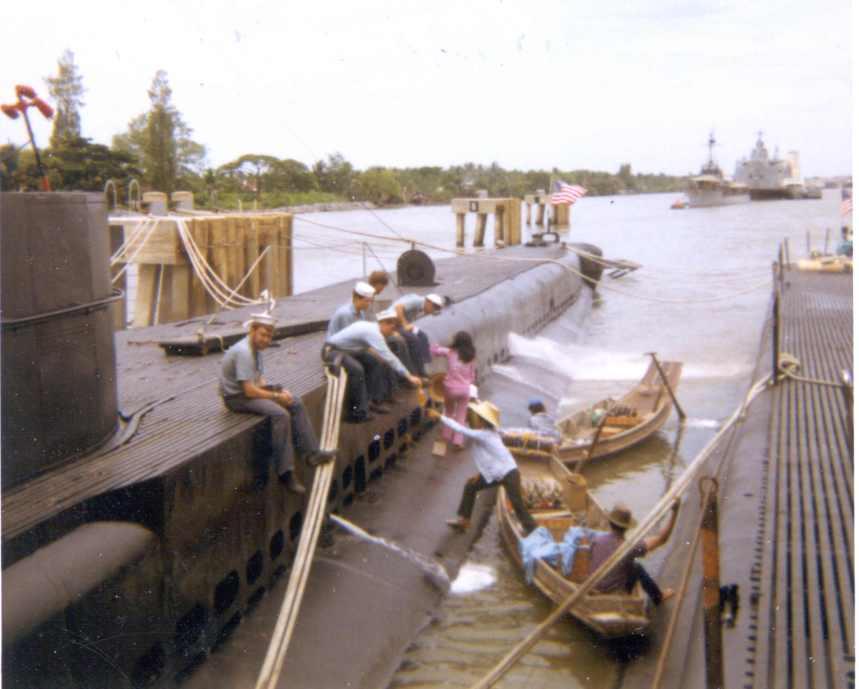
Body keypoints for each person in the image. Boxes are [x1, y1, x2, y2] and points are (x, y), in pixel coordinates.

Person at [220, 312, 334, 494]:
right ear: (252, 330)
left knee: (294, 401)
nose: (266, 339)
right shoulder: (243, 352)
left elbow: (260, 381)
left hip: (247, 392)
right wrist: (276, 397)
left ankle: (311, 453)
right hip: (236, 398)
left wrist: (279, 391)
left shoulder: (255, 349)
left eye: (269, 336)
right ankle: (285, 472)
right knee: (280, 414)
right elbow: (249, 391)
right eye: (263, 334)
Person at [427, 401, 537, 535]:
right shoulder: (490, 432)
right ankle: (464, 520)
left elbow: (461, 429)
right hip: (499, 473)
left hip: (509, 473)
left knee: (517, 504)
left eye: (477, 418)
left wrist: (440, 417)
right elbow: (489, 459)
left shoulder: (485, 434)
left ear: (483, 421)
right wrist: (481, 474)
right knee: (471, 485)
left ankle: (533, 531)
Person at [323, 308, 423, 423]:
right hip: (332, 351)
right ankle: (357, 413)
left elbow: (369, 348)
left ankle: (371, 401)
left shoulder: (371, 327)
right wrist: (408, 376)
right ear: (384, 323)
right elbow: (390, 357)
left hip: (350, 350)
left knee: (374, 362)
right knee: (357, 370)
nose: (392, 332)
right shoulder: (373, 333)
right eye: (392, 328)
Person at [587, 501, 680, 606]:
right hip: (614, 594)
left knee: (629, 565)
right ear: (626, 527)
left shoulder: (596, 540)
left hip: (593, 588)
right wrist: (675, 513)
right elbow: (662, 539)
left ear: (610, 523)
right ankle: (658, 597)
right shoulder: (629, 548)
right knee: (637, 567)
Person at [430, 331, 477, 451]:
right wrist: (466, 383)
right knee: (461, 416)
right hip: (465, 390)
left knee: (449, 413)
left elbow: (434, 351)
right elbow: (472, 376)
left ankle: (446, 436)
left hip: (450, 389)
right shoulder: (471, 357)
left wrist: (434, 344)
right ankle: (458, 441)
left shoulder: (450, 352)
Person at [393, 292, 445, 376]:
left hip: (402, 325)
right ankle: (416, 371)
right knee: (413, 339)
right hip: (393, 325)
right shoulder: (416, 301)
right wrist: (405, 325)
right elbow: (398, 308)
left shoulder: (420, 306)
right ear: (429, 302)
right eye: (433, 308)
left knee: (422, 336)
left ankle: (422, 365)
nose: (431, 312)